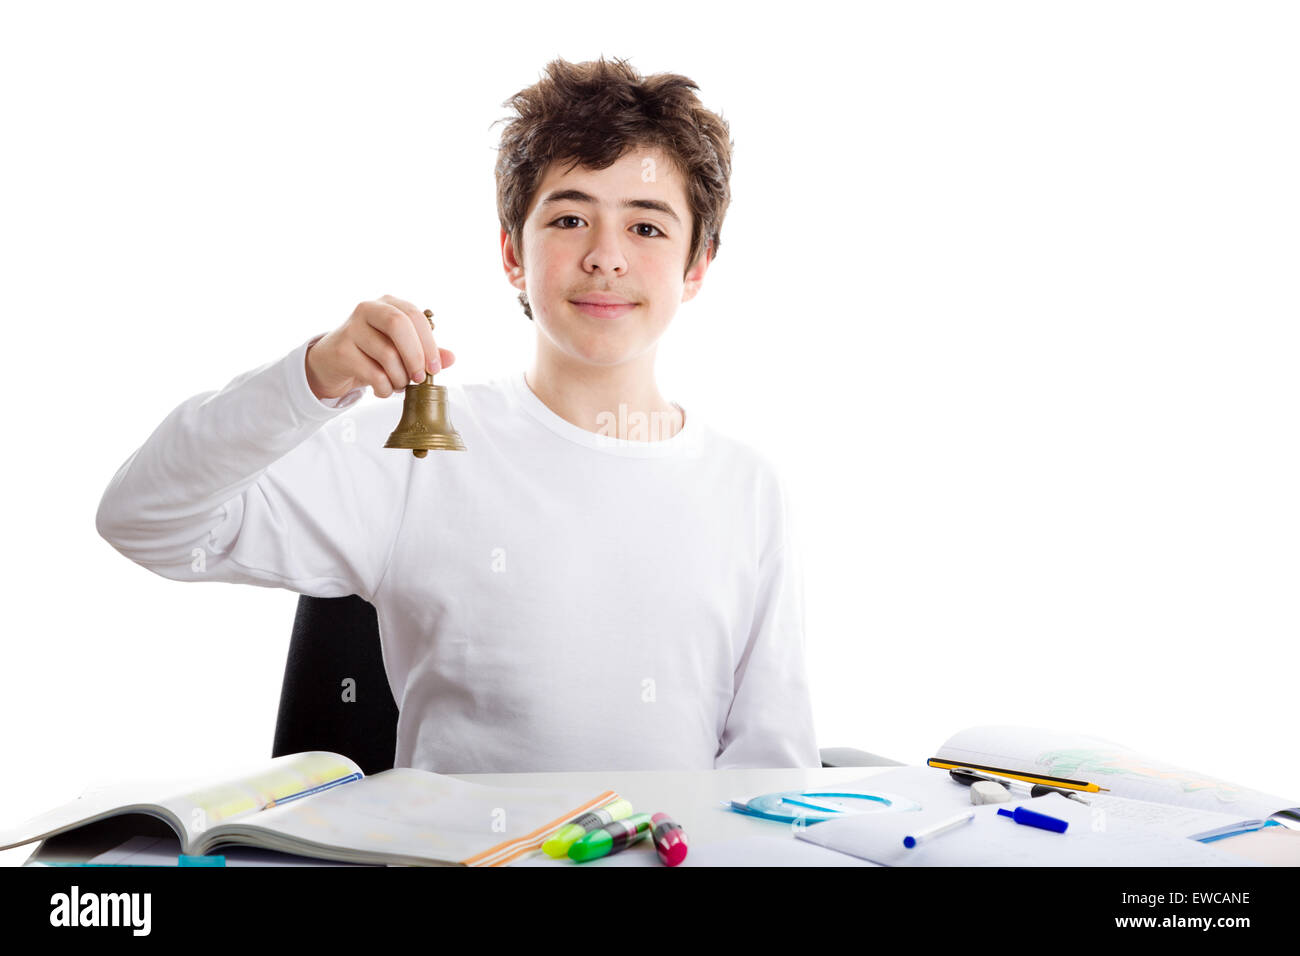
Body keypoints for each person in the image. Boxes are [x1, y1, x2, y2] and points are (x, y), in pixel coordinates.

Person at [96, 55, 819, 773]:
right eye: (570, 218)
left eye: (647, 228)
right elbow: (146, 520)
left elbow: (771, 767)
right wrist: (312, 377)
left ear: (698, 265)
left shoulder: (746, 488)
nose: (605, 257)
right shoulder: (417, 447)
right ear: (512, 253)